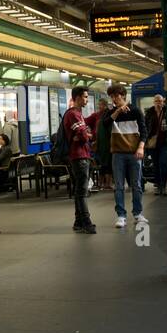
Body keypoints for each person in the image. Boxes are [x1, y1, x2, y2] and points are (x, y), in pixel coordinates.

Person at [106, 84, 147, 229]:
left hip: (134, 153)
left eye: (116, 96)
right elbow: (105, 125)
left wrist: (141, 147)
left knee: (136, 185)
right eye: (111, 96)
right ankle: (121, 216)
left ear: (123, 95)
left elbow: (143, 131)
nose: (114, 99)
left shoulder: (136, 111)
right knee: (118, 186)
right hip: (118, 154)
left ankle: (138, 213)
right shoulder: (110, 113)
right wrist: (117, 112)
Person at [62, 85, 97, 232]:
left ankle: (78, 222)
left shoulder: (78, 114)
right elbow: (83, 135)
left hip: (80, 155)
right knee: (82, 191)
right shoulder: (73, 114)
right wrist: (86, 135)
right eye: (85, 96)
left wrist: (85, 134)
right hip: (79, 156)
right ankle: (86, 222)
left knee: (79, 190)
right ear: (77, 97)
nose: (86, 99)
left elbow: (84, 134)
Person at [144, 94, 167, 195]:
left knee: (163, 163)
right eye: (156, 101)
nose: (158, 103)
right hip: (152, 143)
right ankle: (159, 185)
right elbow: (145, 126)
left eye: (160, 101)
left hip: (165, 142)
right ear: (154, 102)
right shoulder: (149, 113)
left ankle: (164, 184)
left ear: (163, 102)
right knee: (155, 165)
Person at [87, 97, 113, 190]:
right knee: (102, 164)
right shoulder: (96, 115)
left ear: (105, 105)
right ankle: (101, 183)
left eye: (101, 105)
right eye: (98, 105)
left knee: (108, 164)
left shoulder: (109, 114)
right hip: (99, 144)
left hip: (107, 143)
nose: (99, 106)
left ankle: (107, 183)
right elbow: (86, 121)